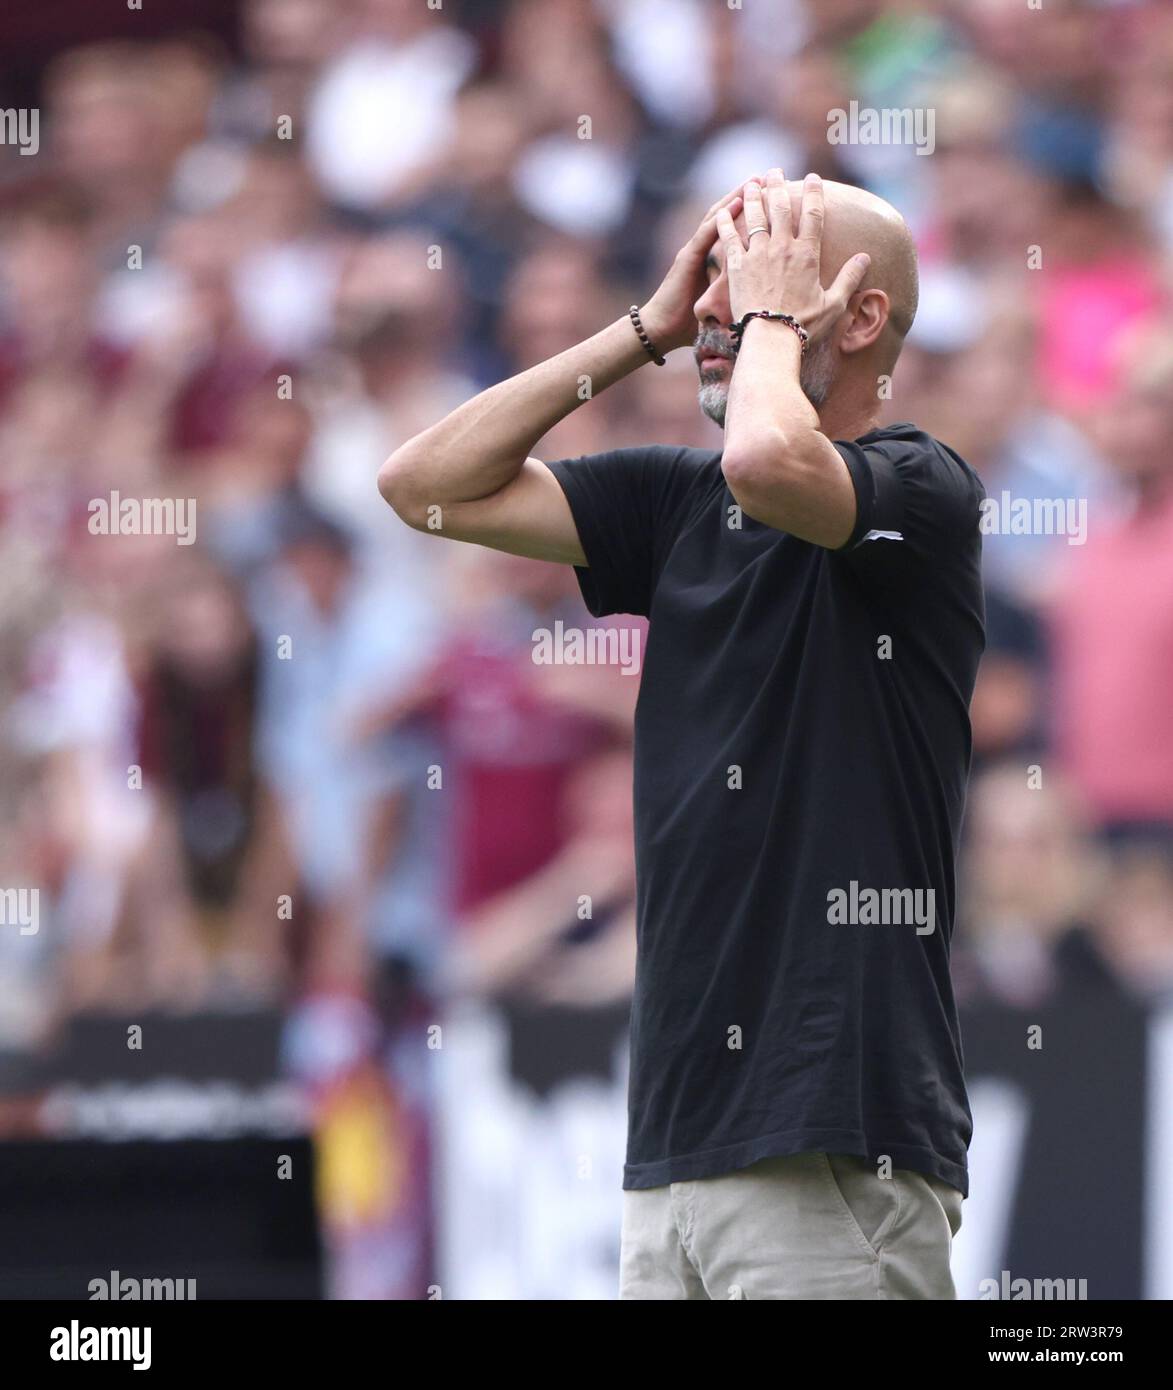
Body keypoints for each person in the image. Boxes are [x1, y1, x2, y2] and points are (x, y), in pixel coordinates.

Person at [378, 169, 986, 1300]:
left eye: (761, 271)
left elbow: (770, 458)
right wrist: (637, 331)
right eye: (715, 273)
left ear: (860, 319)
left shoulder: (924, 488)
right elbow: (422, 487)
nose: (720, 305)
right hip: (672, 1153)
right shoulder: (674, 505)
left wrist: (759, 323)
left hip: (834, 1140)